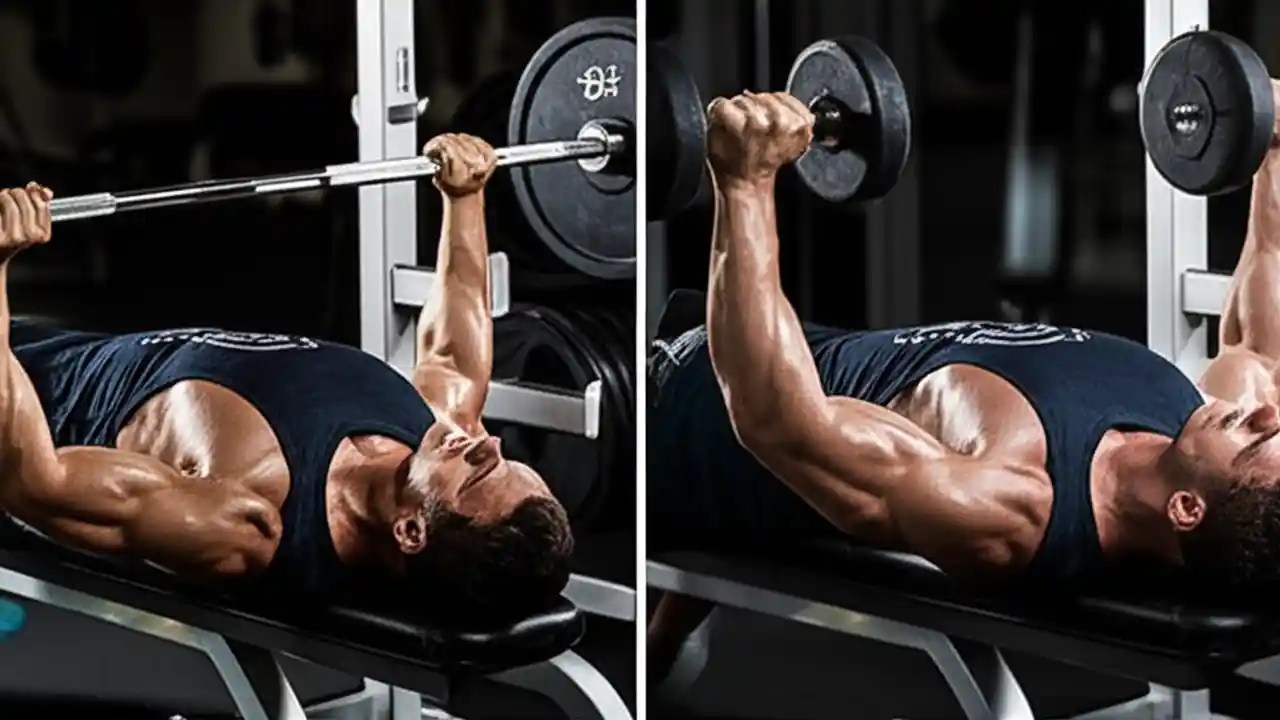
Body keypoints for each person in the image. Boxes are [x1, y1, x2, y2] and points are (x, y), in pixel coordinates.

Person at [647, 88, 1280, 670]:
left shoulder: (1008, 503)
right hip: (766, 337)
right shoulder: (1193, 427)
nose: (1264, 416)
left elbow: (775, 422)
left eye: (1254, 441)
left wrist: (745, 182)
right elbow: (1259, 343)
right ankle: (665, 639)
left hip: (687, 408)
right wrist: (1271, 149)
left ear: (1187, 509)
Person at [0, 133, 572, 622]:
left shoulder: (243, 522)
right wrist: (465, 197)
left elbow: (34, 482)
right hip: (44, 338)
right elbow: (453, 356)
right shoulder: (439, 436)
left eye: (478, 472)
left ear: (411, 532)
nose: (485, 443)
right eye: (502, 455)